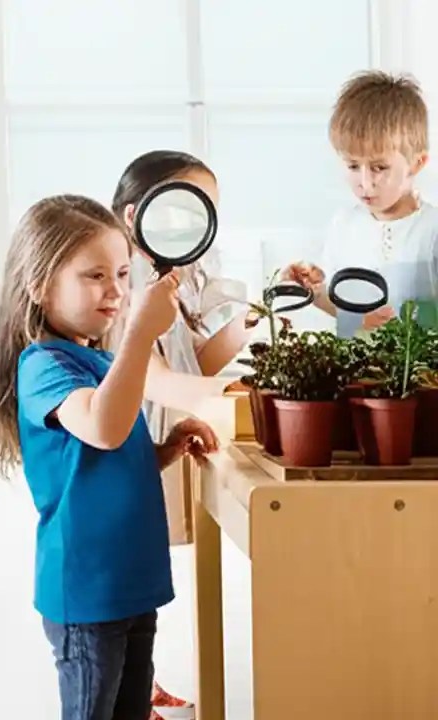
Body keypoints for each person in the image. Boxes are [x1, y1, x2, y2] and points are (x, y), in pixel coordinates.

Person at [0, 195, 219, 720]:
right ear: (41, 286)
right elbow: (103, 429)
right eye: (94, 276)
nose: (115, 291)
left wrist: (164, 449)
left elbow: (108, 458)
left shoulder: (100, 359)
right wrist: (139, 333)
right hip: (89, 592)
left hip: (129, 584)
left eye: (120, 273)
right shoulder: (44, 366)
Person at [110, 150, 253, 718]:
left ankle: (143, 685)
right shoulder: (126, 284)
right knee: (128, 575)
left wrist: (251, 321)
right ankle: (132, 695)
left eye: (208, 213)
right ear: (133, 216)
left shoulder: (178, 278)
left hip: (171, 435)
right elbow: (157, 380)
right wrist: (235, 402)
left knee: (148, 575)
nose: (197, 226)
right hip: (136, 438)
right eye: (184, 211)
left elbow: (192, 363)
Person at [283, 70, 438, 334]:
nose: (365, 183)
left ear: (416, 163)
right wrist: (313, 291)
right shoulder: (343, 225)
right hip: (356, 371)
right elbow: (344, 311)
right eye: (353, 165)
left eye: (379, 168)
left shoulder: (431, 230)